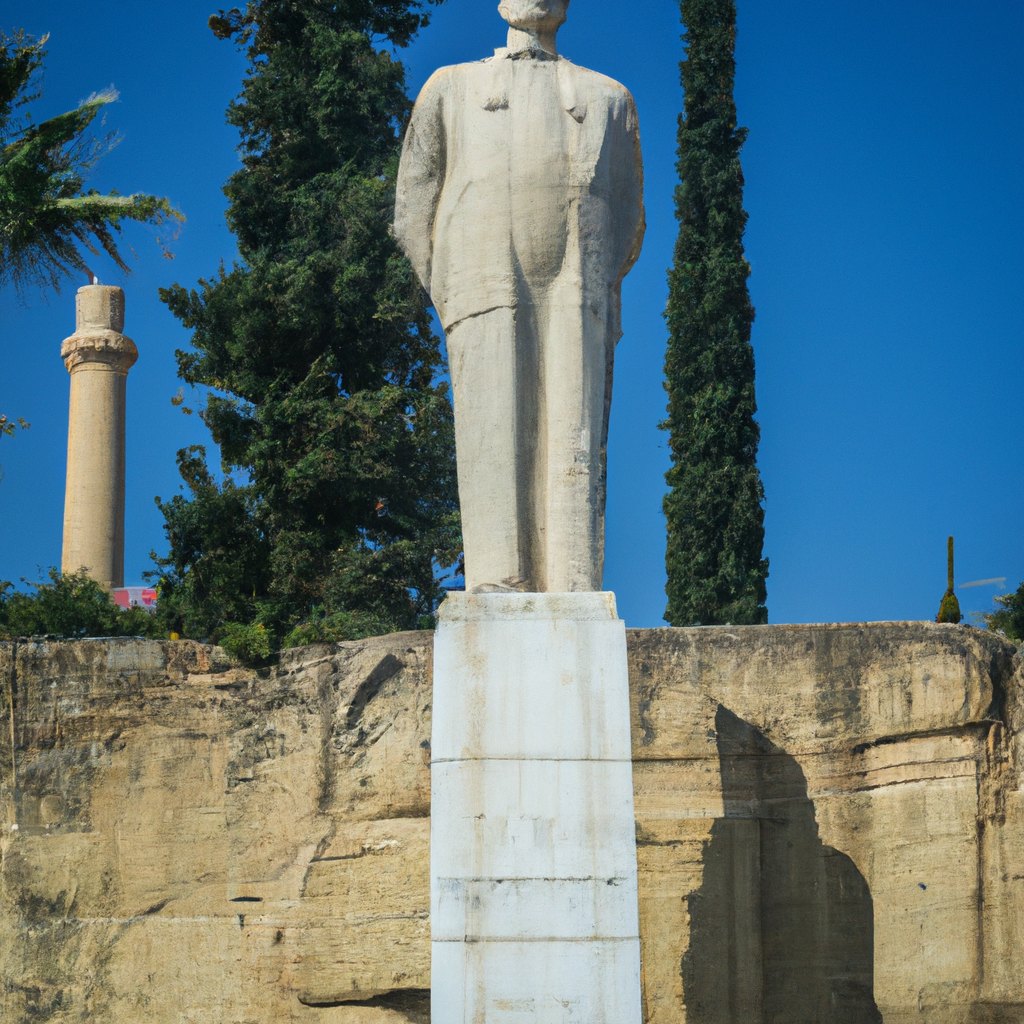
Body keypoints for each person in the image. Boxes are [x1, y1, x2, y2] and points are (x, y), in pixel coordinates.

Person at [395, 0, 644, 592]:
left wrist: (595, 280)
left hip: (577, 278)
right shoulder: (451, 88)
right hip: (481, 272)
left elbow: (630, 217)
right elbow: (414, 207)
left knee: (573, 433)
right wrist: (454, 289)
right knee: (491, 428)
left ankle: (571, 580)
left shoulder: (609, 98)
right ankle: (497, 577)